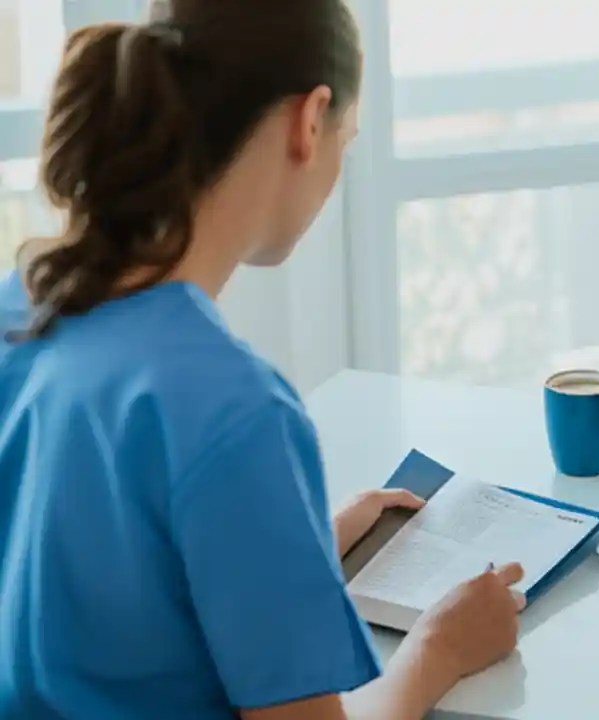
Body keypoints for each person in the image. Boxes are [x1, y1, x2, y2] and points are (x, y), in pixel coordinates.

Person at [0, 2, 525, 718]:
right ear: (310, 122)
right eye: (351, 136)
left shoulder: (22, 307)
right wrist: (440, 646)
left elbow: (99, 585)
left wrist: (298, 546)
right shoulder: (233, 408)